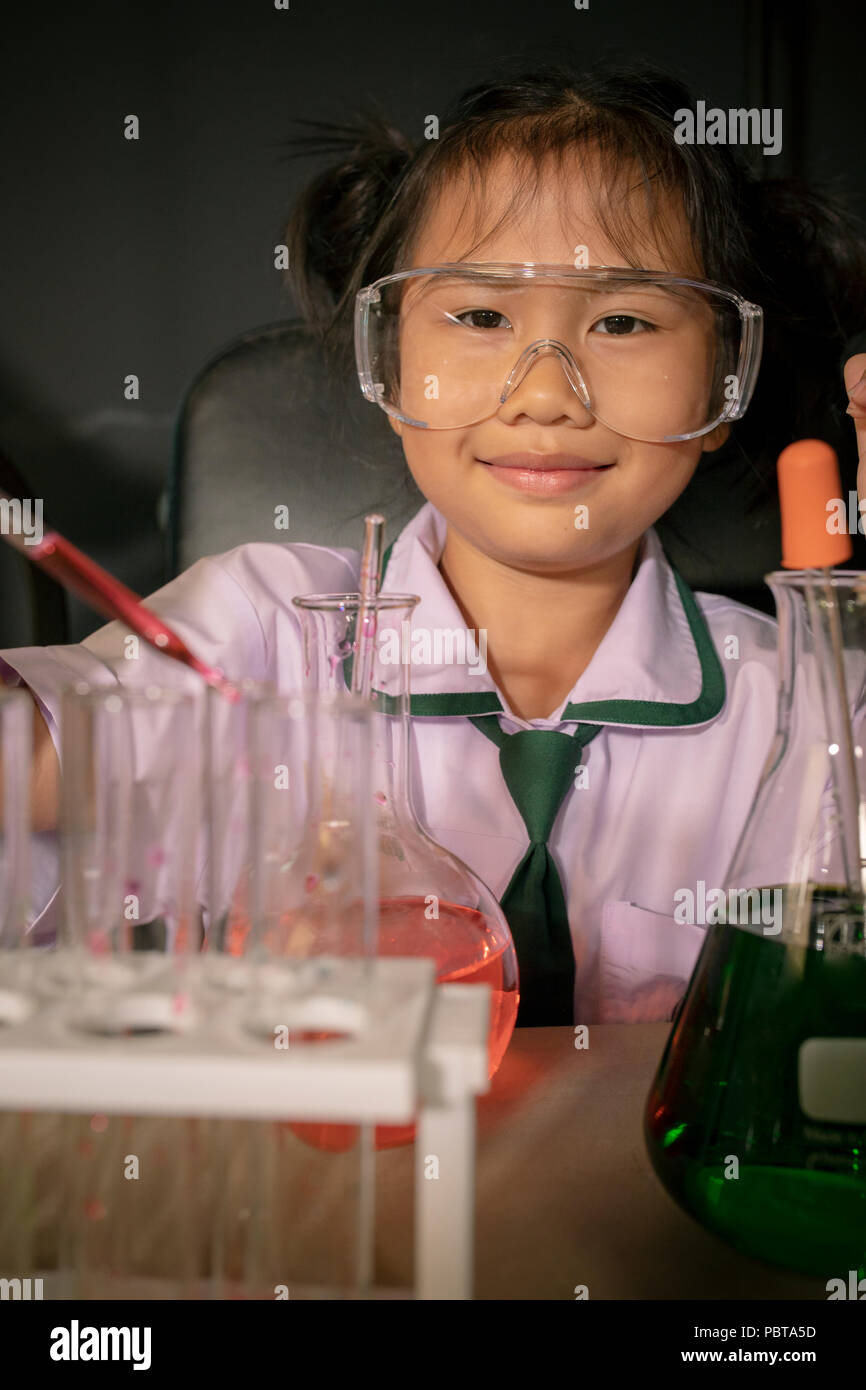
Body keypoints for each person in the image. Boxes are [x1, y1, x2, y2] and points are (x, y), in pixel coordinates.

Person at [3, 62, 866, 1026]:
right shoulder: (257, 630)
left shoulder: (807, 700)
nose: (545, 393)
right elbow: (31, 770)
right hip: (331, 1173)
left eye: (623, 320)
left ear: (722, 386)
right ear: (391, 361)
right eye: (481, 316)